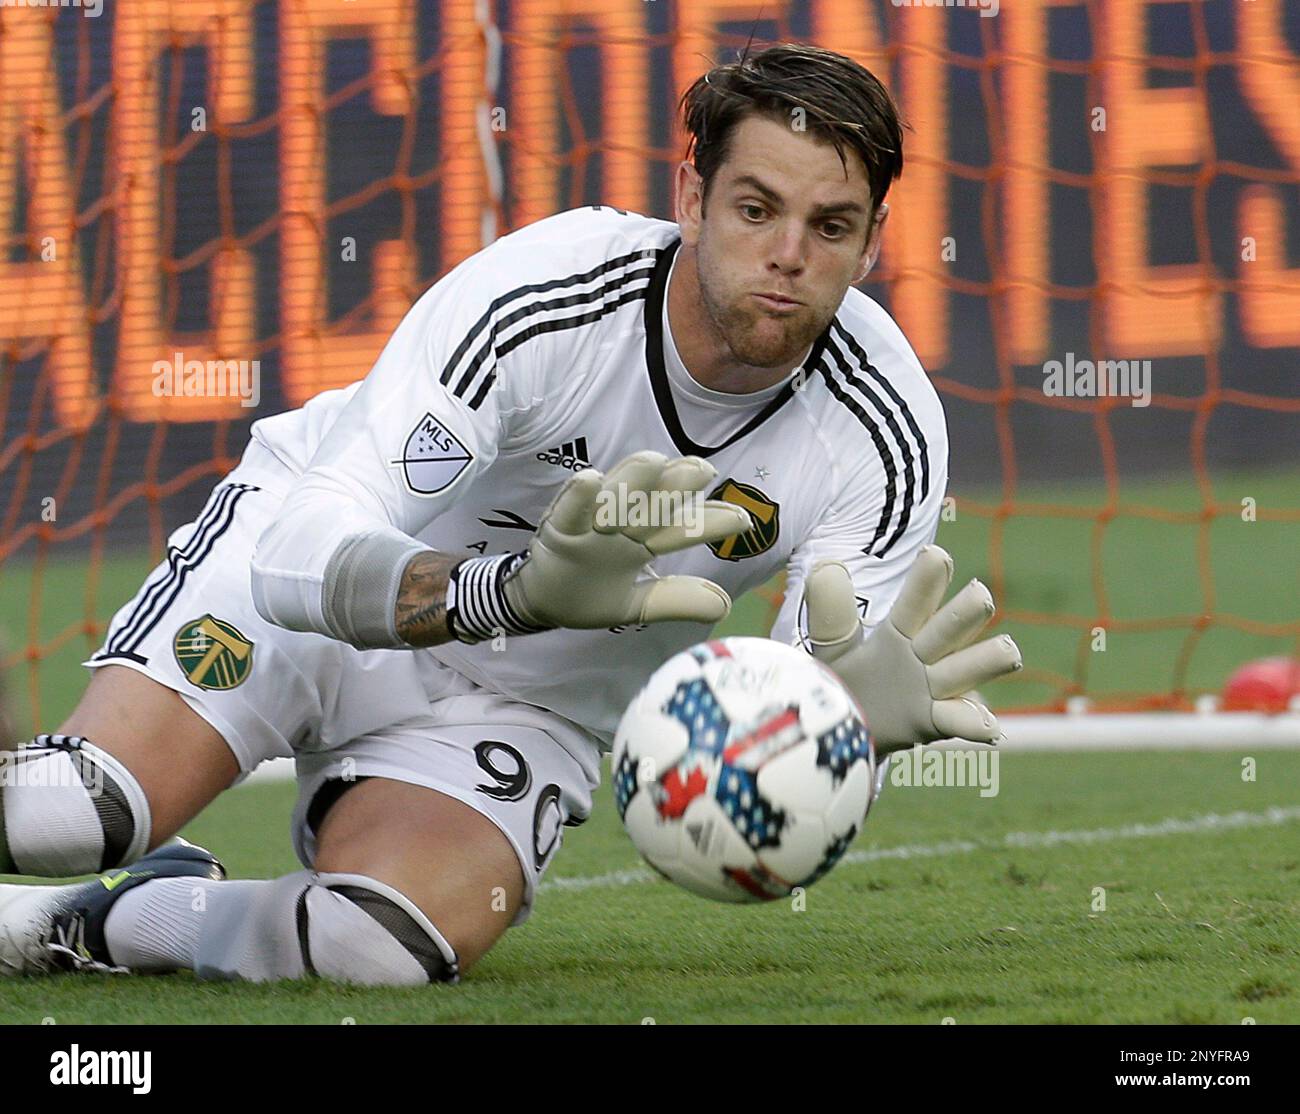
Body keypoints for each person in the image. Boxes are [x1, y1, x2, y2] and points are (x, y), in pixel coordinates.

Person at [0, 44, 1020, 985]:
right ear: (691, 197)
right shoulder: (549, 295)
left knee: (377, 946)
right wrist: (513, 592)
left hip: (529, 707)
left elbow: (780, 739)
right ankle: (90, 848)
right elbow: (299, 549)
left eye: (830, 225)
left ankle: (98, 922)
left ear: (873, 242)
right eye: (756, 208)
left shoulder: (884, 431)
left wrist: (843, 738)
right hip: (320, 601)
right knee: (70, 813)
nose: (790, 253)